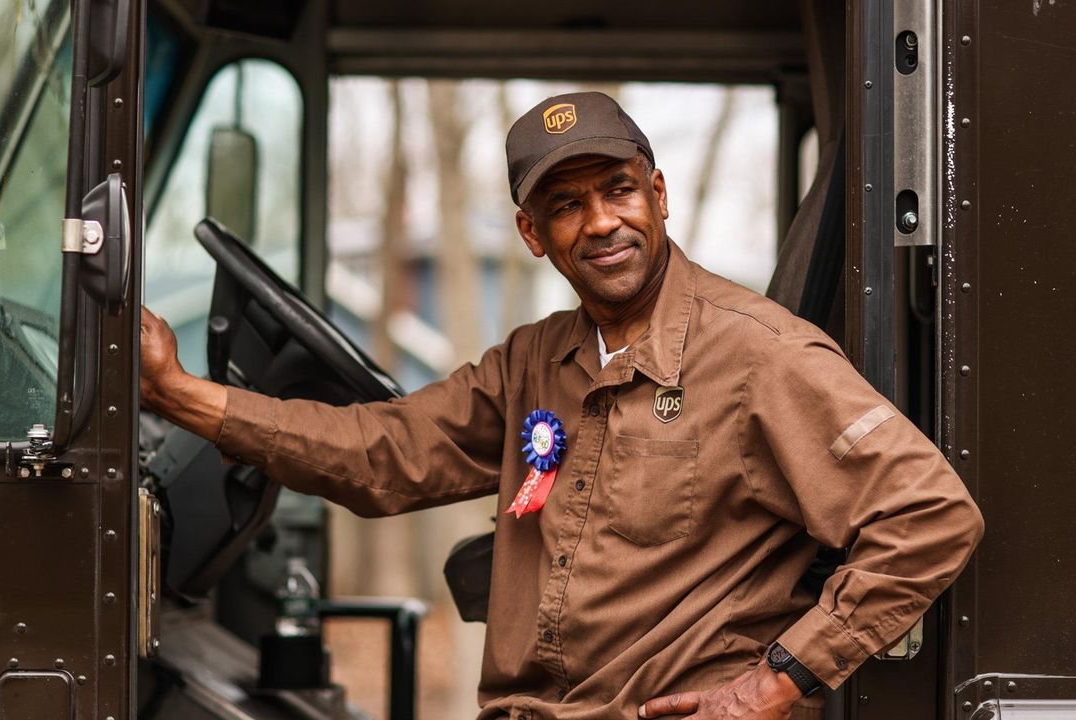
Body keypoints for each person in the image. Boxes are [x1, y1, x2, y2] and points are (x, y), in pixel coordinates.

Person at [141, 91, 983, 720]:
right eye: (567, 206)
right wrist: (180, 393)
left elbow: (931, 516)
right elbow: (384, 451)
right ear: (532, 234)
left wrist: (773, 685)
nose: (602, 222)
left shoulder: (760, 355)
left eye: (619, 190)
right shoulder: (534, 362)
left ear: (659, 194)